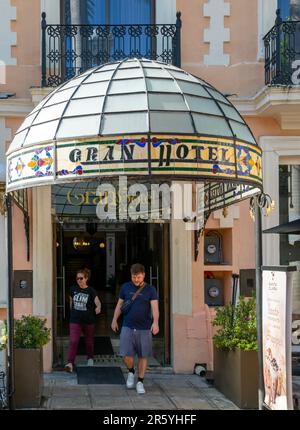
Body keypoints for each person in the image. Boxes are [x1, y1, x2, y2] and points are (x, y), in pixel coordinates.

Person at [111, 263, 159, 394]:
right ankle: (131, 371)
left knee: (144, 356)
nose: (136, 279)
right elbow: (119, 304)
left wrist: (156, 322)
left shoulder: (150, 289)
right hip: (127, 325)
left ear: (143, 275)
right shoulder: (125, 287)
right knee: (126, 354)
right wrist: (114, 319)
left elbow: (155, 308)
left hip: (144, 328)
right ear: (131, 275)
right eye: (134, 277)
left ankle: (140, 382)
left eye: (138, 277)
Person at [65, 268, 101, 372]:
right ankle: (70, 363)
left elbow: (97, 302)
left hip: (88, 320)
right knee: (73, 341)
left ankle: (90, 358)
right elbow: (71, 302)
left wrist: (98, 307)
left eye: (81, 278)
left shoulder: (91, 290)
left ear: (86, 278)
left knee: (89, 341)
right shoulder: (72, 289)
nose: (79, 280)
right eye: (77, 278)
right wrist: (72, 314)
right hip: (75, 320)